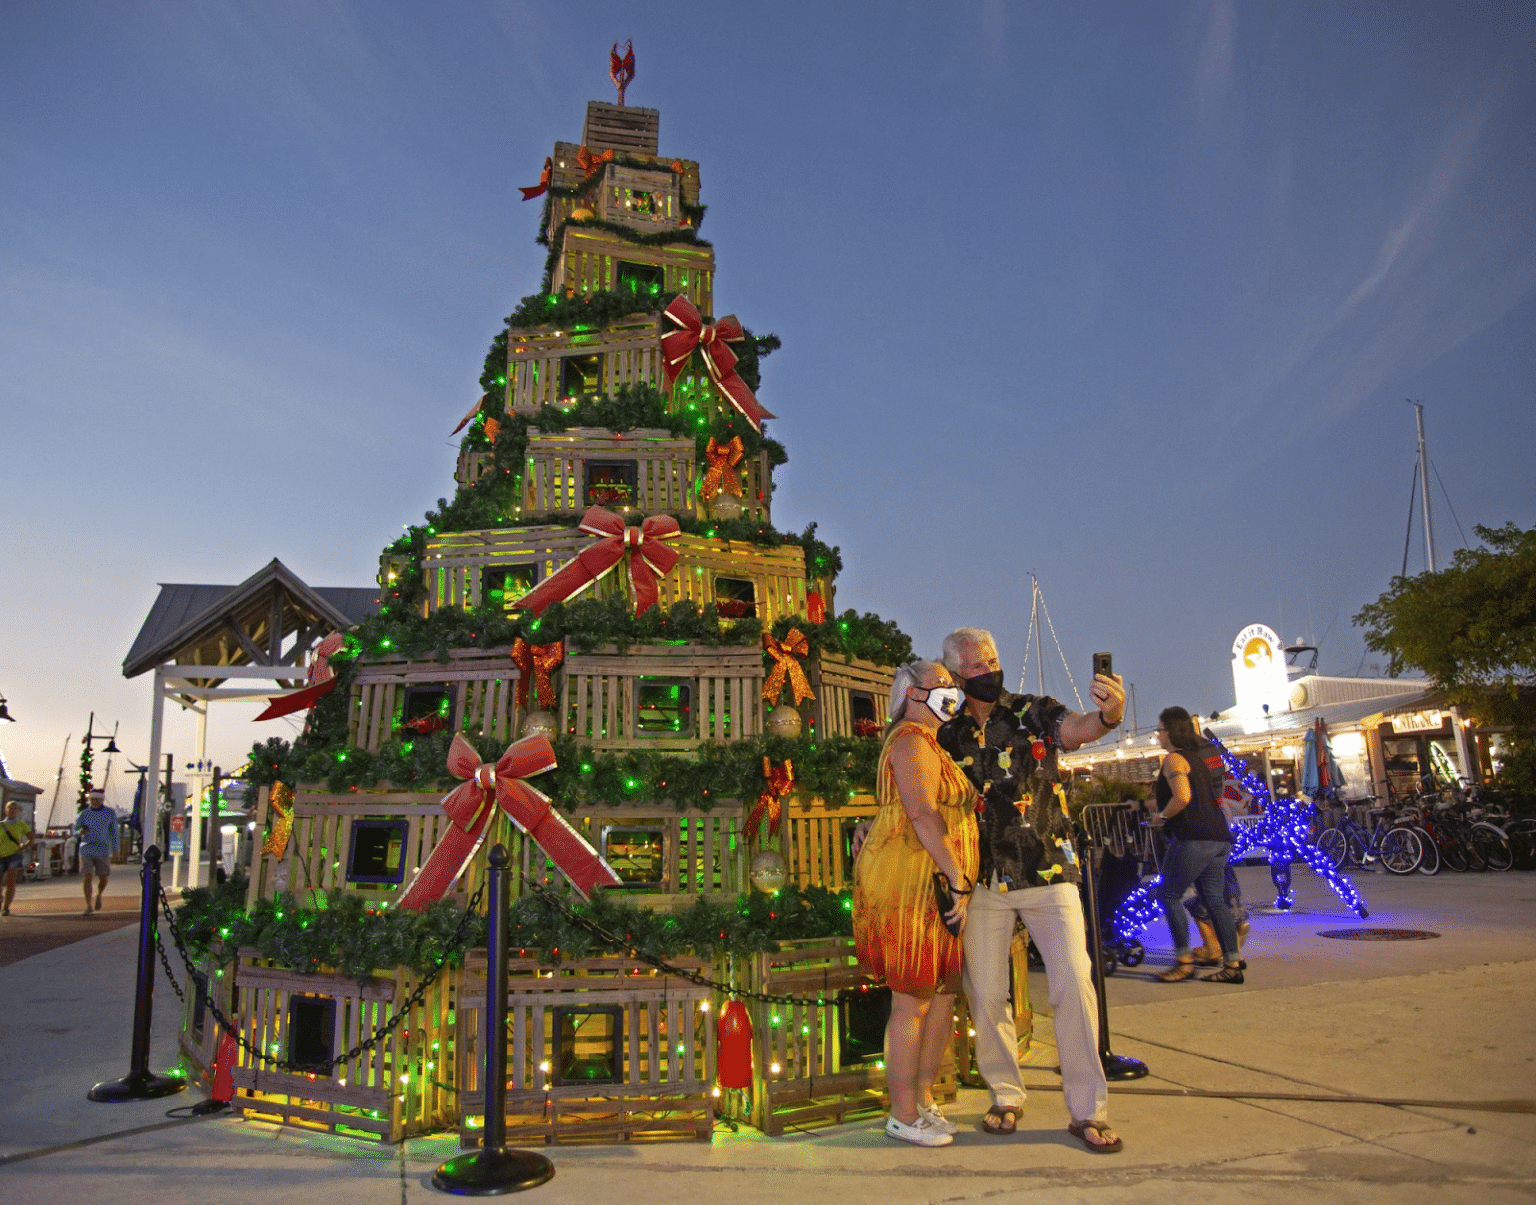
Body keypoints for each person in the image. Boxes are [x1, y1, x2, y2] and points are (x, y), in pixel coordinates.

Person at [936, 627, 1125, 1155]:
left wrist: (1109, 715)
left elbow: (1078, 730)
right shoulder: (944, 731)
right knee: (988, 993)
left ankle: (1088, 1110)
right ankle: (1005, 1094)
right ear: (955, 674)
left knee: (1073, 985)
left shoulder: (1033, 710)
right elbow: (915, 783)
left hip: (1048, 868)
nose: (987, 669)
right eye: (974, 665)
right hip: (982, 880)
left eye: (992, 659)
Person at [852, 659, 979, 1148]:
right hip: (916, 884)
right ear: (913, 693)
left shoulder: (929, 743)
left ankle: (922, 1101)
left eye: (953, 683)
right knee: (912, 1002)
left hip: (934, 883)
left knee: (939, 996)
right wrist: (958, 879)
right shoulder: (909, 740)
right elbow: (923, 816)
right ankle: (903, 1113)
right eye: (941, 684)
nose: (952, 692)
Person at [1150, 706, 1244, 983]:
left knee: (1168, 895)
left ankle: (1183, 961)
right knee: (1214, 900)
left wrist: (1161, 817)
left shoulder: (1174, 760)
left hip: (1194, 837)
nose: (1158, 735)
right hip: (1218, 836)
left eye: (1160, 729)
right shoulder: (1198, 759)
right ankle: (1232, 964)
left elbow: (1182, 797)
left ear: (1171, 731)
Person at [75, 789, 118, 916]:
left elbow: (114, 831)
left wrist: (116, 848)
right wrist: (79, 832)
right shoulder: (84, 814)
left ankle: (99, 894)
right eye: (92, 799)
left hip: (103, 849)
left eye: (97, 799)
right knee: (87, 876)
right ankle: (88, 905)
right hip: (86, 848)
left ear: (102, 800)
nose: (94, 802)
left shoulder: (109, 813)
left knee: (103, 877)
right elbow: (75, 830)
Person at [0, 801, 34, 916]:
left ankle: (6, 907)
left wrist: (24, 847)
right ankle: (1, 899)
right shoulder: (1, 825)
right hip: (1, 855)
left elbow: (31, 838)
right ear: (6, 810)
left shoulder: (20, 824)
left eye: (14, 809)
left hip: (14, 855)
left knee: (10, 881)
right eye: (10, 808)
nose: (12, 811)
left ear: (18, 811)